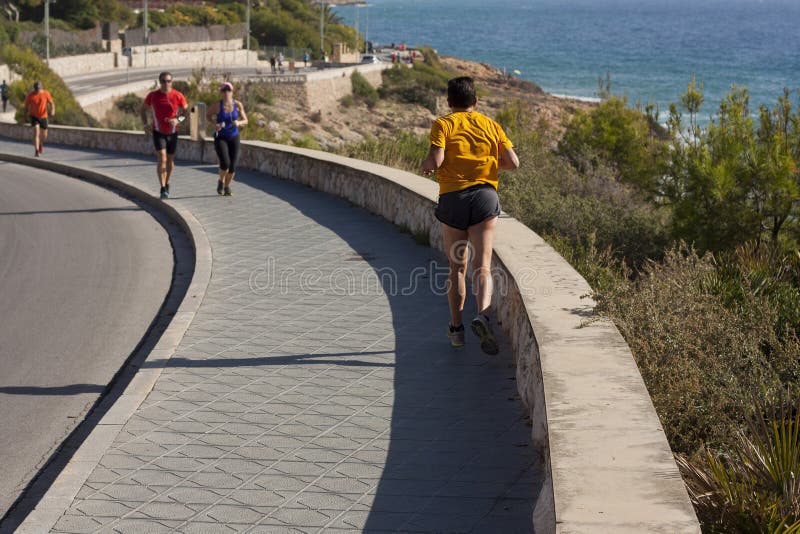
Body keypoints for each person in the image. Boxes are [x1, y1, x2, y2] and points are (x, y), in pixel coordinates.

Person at [420, 76, 519, 354]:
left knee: (457, 269)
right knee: (483, 267)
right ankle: (483, 316)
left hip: (453, 198)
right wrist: (487, 164)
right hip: (485, 197)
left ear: (449, 102)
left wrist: (427, 165)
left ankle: (456, 330)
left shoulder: (443, 124)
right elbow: (513, 162)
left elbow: (436, 160)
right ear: (475, 102)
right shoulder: (491, 124)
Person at [140, 71, 188, 199]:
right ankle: (162, 188)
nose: (166, 83)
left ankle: (167, 183)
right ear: (159, 82)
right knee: (162, 158)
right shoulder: (153, 95)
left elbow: (186, 113)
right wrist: (145, 124)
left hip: (172, 133)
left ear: (172, 82)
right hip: (158, 132)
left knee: (170, 162)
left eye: (168, 81)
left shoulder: (178, 95)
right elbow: (143, 109)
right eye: (163, 81)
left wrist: (178, 120)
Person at [206, 82, 248, 197]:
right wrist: (215, 123)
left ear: (232, 92)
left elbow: (246, 120)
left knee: (233, 165)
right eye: (223, 90)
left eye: (228, 90)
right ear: (221, 92)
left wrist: (239, 122)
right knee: (225, 163)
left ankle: (227, 186)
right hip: (221, 137)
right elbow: (208, 115)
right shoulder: (217, 105)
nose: (226, 93)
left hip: (234, 136)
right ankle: (221, 180)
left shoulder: (238, 105)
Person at [24, 81, 55, 157]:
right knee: (36, 132)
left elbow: (51, 103)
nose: (37, 90)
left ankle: (40, 144)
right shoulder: (30, 95)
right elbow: (26, 106)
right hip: (34, 116)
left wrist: (53, 110)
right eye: (36, 89)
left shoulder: (46, 93)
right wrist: (24, 116)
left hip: (43, 116)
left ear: (41, 88)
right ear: (34, 88)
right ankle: (36, 151)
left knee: (44, 135)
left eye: (38, 89)